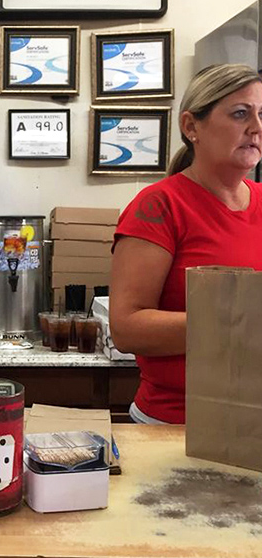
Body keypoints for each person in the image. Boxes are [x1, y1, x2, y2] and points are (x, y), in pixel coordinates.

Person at [110, 63, 262, 424]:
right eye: (241, 114)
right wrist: (239, 324)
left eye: (261, 114)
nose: (256, 128)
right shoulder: (158, 207)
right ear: (191, 126)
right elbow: (127, 328)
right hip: (175, 428)